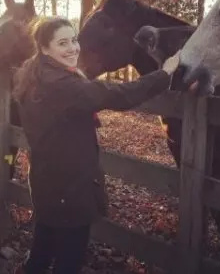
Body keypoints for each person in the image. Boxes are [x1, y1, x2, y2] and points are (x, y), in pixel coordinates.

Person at [12, 16, 181, 274]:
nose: (73, 48)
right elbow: (118, 95)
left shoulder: (34, 74)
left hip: (47, 182)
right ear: (45, 48)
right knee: (68, 259)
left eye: (74, 40)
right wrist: (164, 74)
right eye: (62, 43)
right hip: (69, 189)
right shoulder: (62, 85)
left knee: (42, 249)